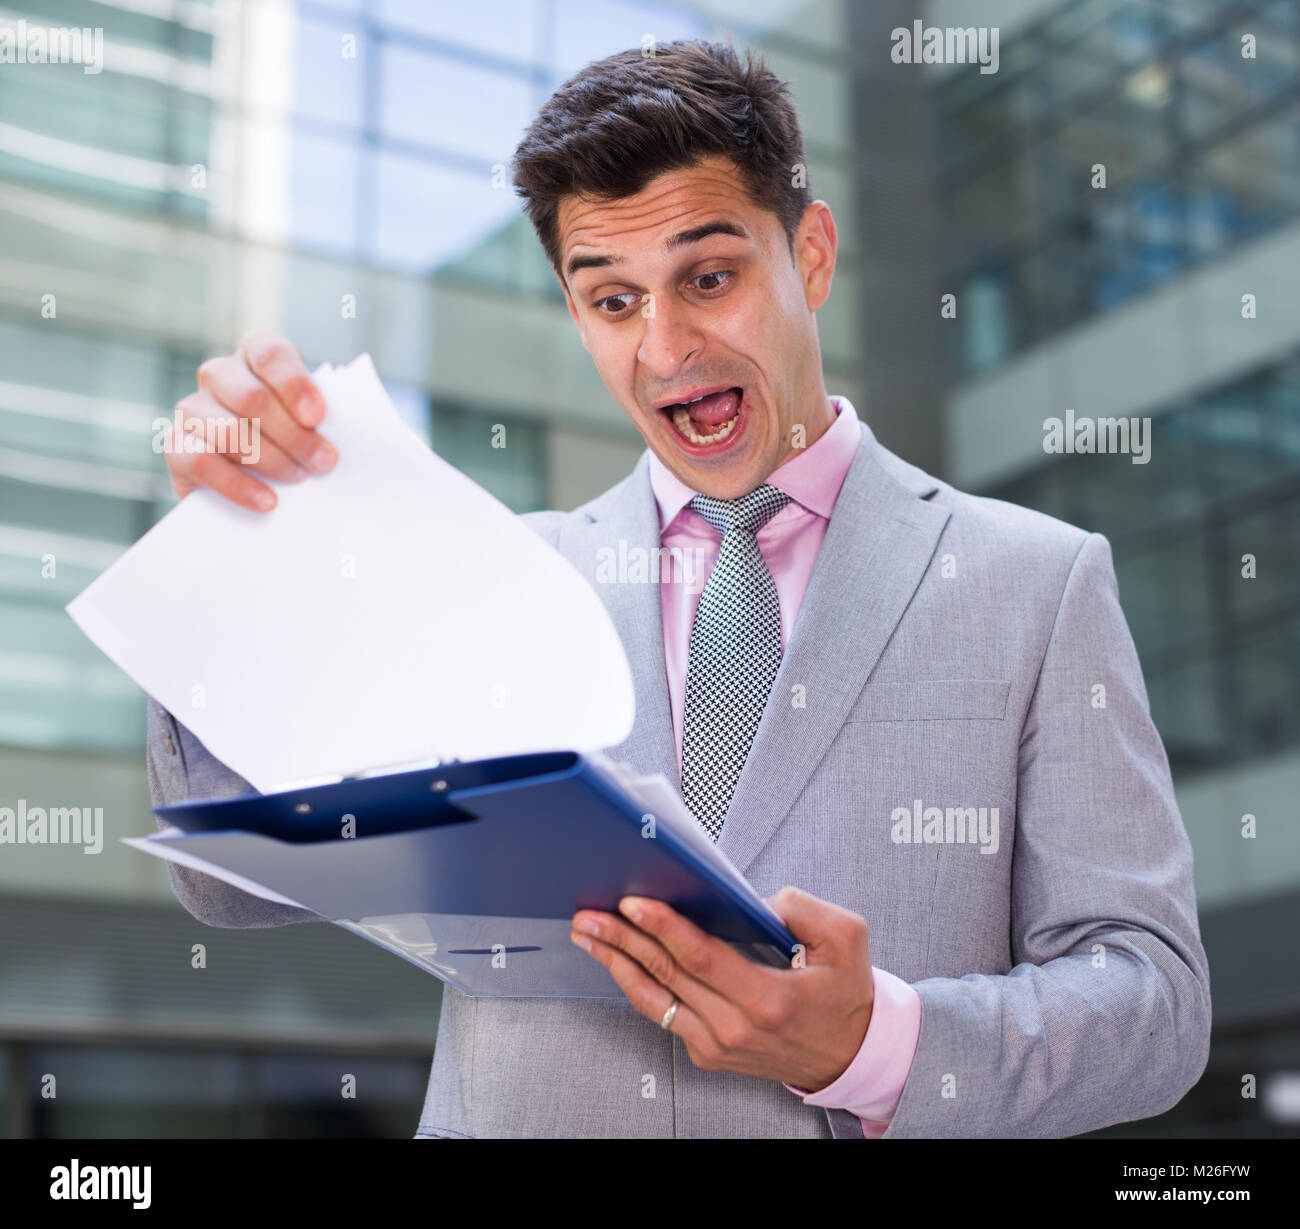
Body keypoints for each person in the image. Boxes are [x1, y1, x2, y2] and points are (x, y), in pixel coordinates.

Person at [147, 40, 1211, 1138]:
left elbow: (1154, 1004)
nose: (666, 348)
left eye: (709, 278)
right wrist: (234, 556)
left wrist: (872, 1044)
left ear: (809, 253)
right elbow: (234, 881)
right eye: (612, 300)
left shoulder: (1036, 582)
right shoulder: (496, 579)